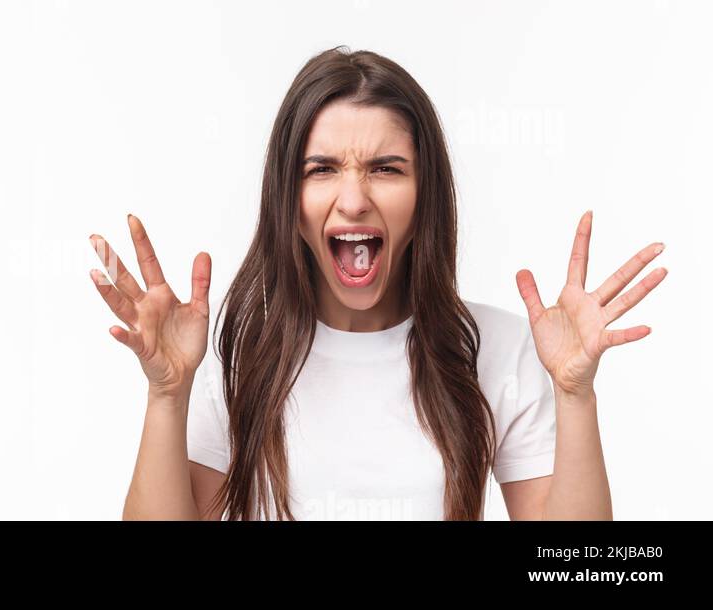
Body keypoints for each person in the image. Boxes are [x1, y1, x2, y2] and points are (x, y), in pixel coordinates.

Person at [87, 46, 667, 521]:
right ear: (289, 201)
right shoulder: (232, 352)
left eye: (386, 168)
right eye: (322, 169)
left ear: (424, 199)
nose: (355, 198)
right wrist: (167, 396)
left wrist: (575, 395)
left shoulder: (500, 349)